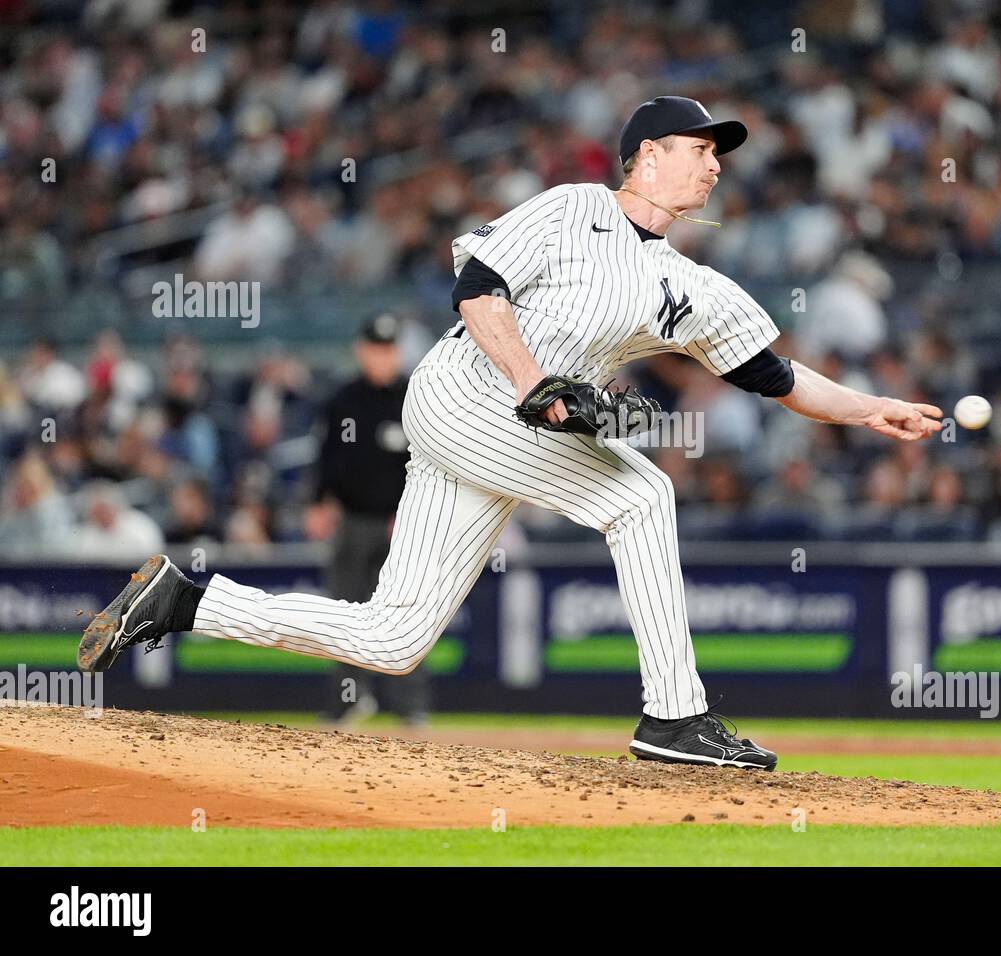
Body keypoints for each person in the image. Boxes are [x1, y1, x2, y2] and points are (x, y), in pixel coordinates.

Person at [77, 96, 942, 770]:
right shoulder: (574, 210)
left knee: (395, 639)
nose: (714, 165)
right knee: (640, 495)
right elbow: (479, 289)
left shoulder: (690, 286)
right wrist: (535, 384)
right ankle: (675, 715)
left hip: (508, 430)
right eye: (700, 148)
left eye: (719, 154)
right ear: (647, 155)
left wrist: (870, 408)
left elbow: (779, 378)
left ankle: (185, 600)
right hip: (463, 394)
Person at [306, 312, 431, 724]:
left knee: (404, 614)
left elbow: (429, 463)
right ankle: (349, 700)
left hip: (401, 528)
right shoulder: (343, 399)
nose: (383, 358)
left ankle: (408, 707)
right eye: (376, 350)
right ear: (362, 351)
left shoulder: (414, 396)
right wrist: (319, 502)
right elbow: (326, 458)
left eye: (389, 350)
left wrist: (410, 516)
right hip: (353, 522)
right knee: (344, 613)